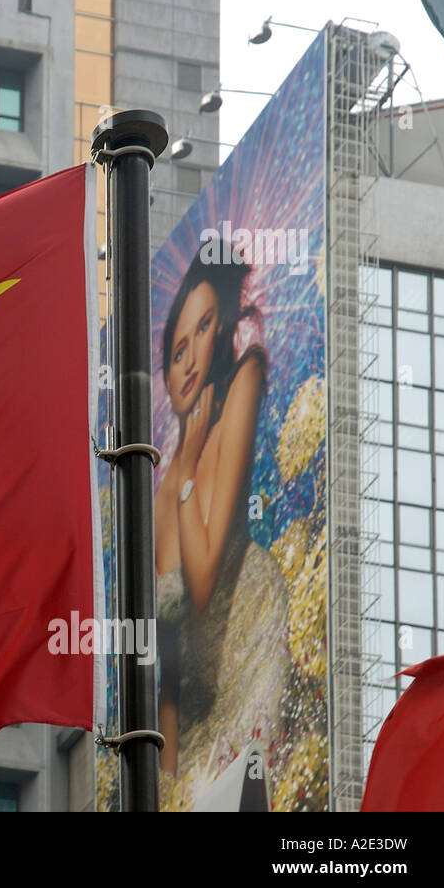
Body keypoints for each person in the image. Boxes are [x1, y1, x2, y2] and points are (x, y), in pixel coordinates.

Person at [153, 243, 289, 797]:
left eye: (205, 327)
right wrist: (162, 782)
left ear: (224, 326)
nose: (189, 360)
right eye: (176, 348)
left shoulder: (245, 379)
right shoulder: (160, 490)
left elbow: (203, 584)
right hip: (190, 707)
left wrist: (186, 467)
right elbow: (164, 661)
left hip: (250, 630)